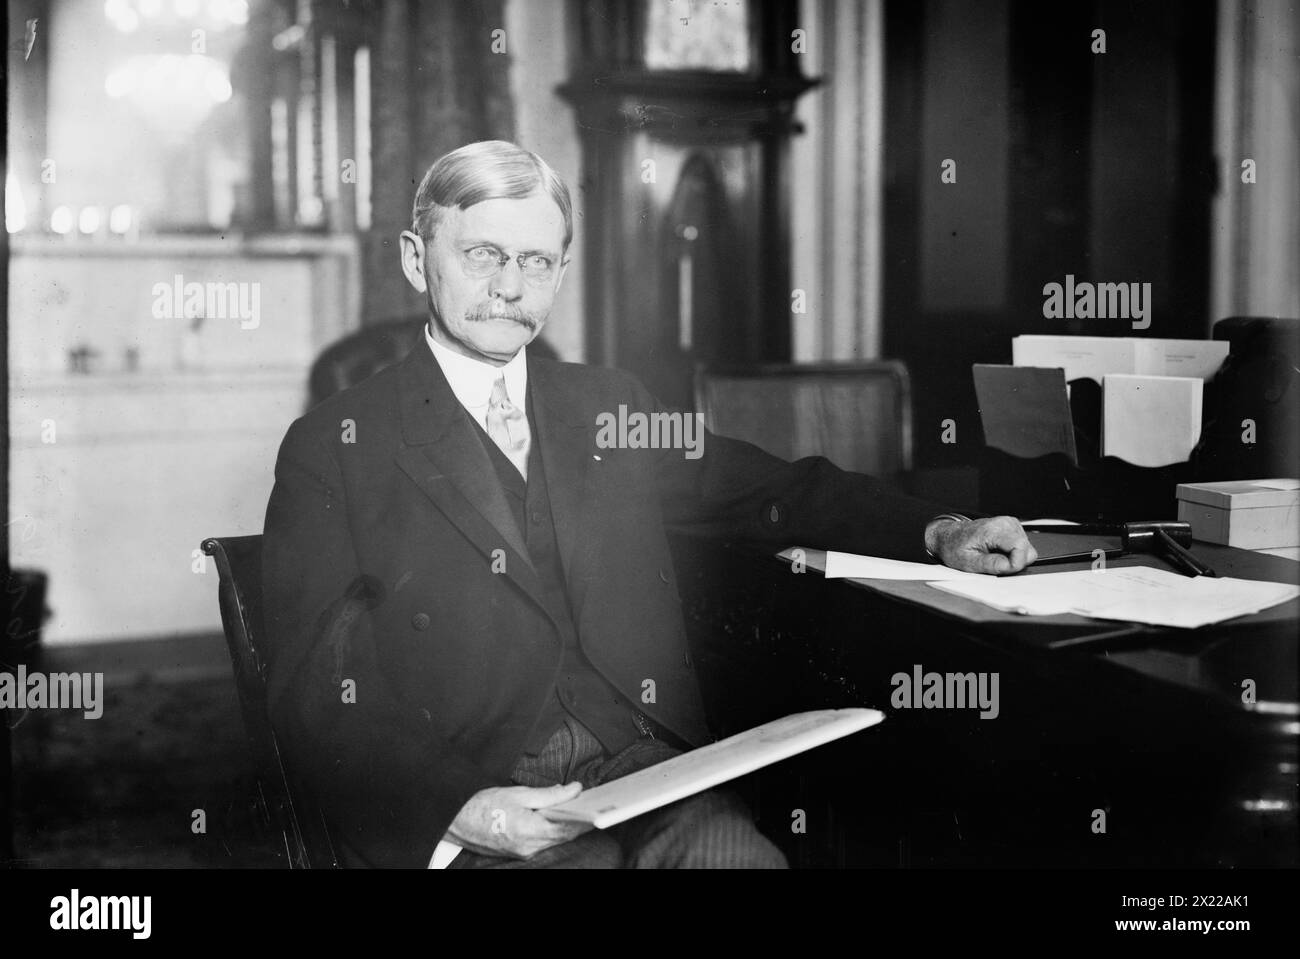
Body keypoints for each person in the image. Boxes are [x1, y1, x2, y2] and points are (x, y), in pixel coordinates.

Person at [261, 140, 1037, 869]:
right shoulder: (335, 443)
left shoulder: (607, 404)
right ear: (415, 258)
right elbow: (315, 684)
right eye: (483, 254)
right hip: (487, 802)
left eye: (536, 261)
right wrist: (462, 808)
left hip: (650, 771)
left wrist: (938, 528)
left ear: (561, 274)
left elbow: (769, 489)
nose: (509, 286)